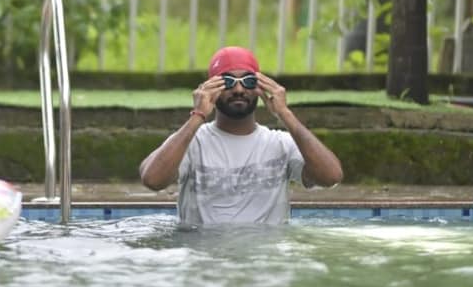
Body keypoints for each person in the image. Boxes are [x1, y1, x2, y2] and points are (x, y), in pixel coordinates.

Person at [139, 46, 343, 227]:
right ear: (211, 89)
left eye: (248, 81)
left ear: (260, 86)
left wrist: (285, 114)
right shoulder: (192, 143)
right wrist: (198, 116)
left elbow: (331, 177)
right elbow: (152, 180)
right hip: (206, 259)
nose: (238, 89)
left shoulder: (279, 143)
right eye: (228, 82)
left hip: (263, 260)